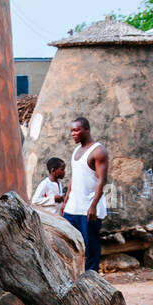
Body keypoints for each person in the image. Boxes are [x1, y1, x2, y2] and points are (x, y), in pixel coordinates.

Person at [62, 116, 108, 273]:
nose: (73, 134)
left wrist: (93, 205)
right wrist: (65, 202)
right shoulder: (76, 151)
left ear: (86, 130)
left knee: (91, 246)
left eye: (76, 130)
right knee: (69, 243)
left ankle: (92, 278)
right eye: (71, 131)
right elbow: (73, 178)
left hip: (89, 209)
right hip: (73, 208)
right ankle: (75, 275)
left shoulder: (98, 151)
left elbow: (102, 180)